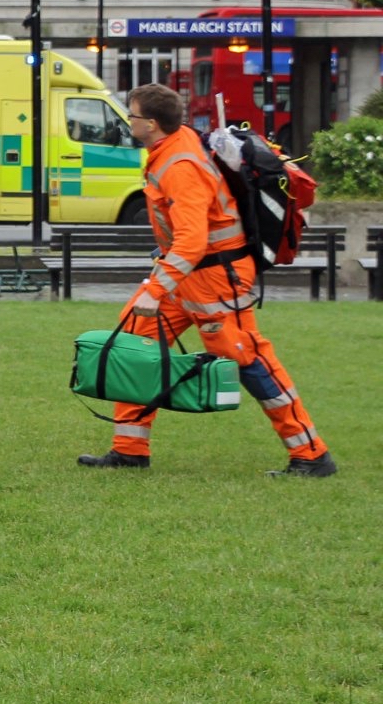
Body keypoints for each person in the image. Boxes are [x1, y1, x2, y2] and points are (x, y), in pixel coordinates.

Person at [79, 84, 335, 476]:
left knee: (248, 359)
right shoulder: (170, 147)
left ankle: (311, 455)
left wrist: (157, 287)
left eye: (131, 116)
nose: (127, 122)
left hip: (216, 278)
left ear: (150, 124)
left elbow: (193, 239)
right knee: (133, 342)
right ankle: (129, 450)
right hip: (190, 275)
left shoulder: (181, 164)